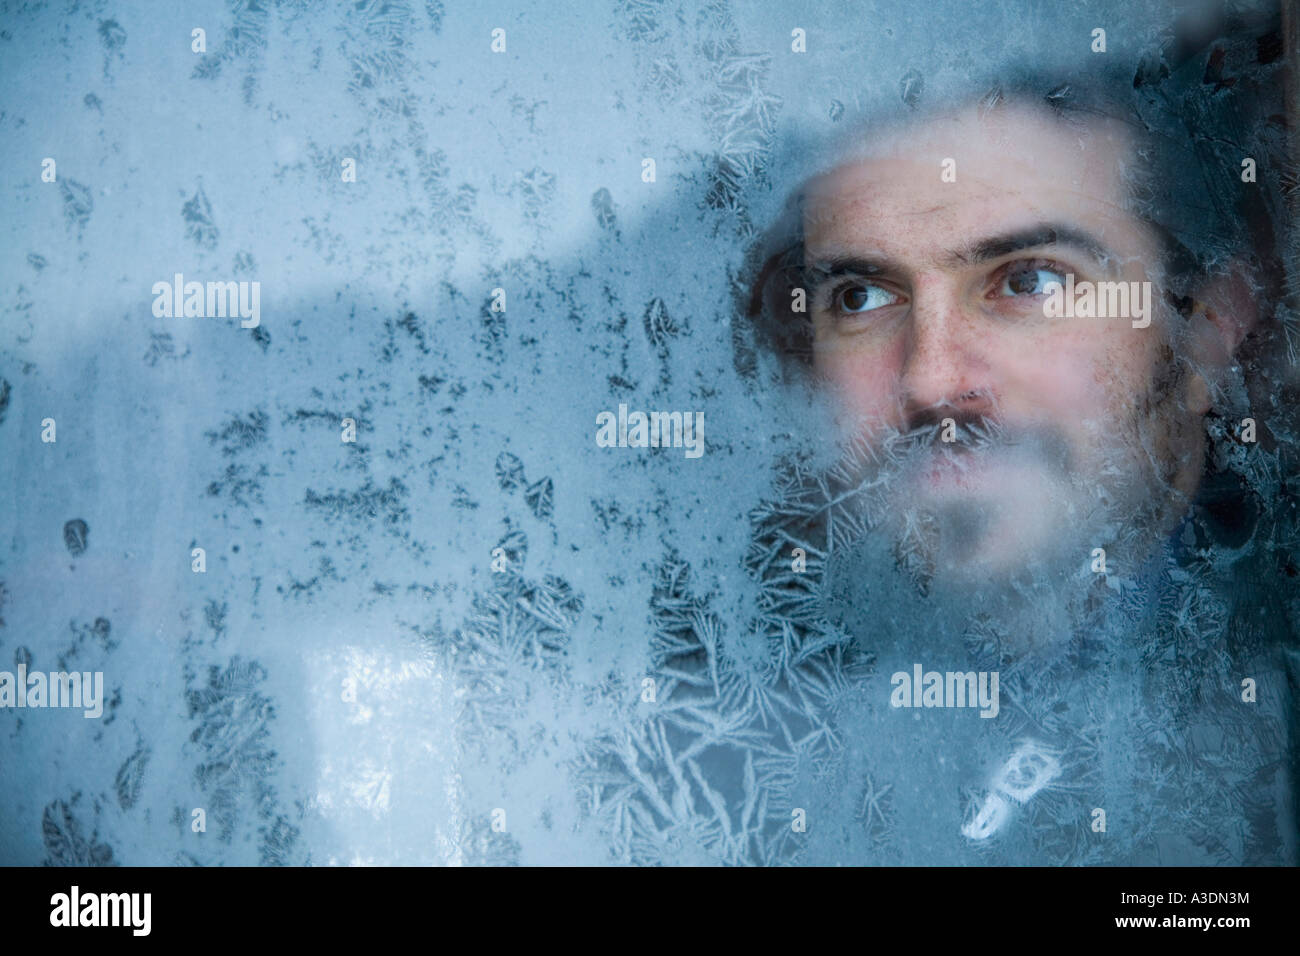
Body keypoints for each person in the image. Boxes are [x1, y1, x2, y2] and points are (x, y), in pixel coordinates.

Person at [738, 23, 1298, 862]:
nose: (930, 379)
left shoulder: (1268, 713)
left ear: (1207, 327)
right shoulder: (749, 696)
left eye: (1028, 280)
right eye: (860, 297)